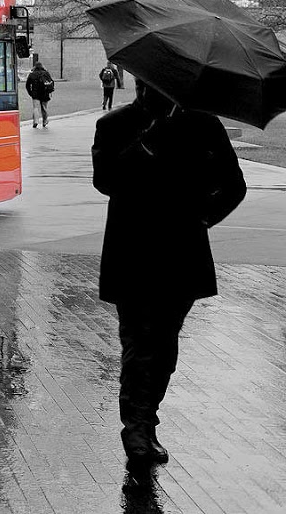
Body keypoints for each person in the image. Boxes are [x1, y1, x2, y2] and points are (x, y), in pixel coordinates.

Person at [91, 80, 246, 469]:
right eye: (144, 83)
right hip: (132, 255)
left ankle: (147, 419)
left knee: (164, 347)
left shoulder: (203, 125)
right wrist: (142, 144)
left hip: (181, 255)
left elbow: (234, 185)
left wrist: (202, 217)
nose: (149, 89)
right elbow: (105, 179)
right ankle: (137, 428)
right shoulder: (115, 125)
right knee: (139, 342)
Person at [24, 58, 55, 128]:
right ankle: (45, 121)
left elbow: (27, 85)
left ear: (35, 67)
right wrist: (50, 91)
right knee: (44, 107)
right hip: (45, 93)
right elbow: (51, 82)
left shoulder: (32, 74)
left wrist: (30, 93)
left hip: (35, 93)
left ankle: (36, 121)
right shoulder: (46, 73)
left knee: (35, 108)